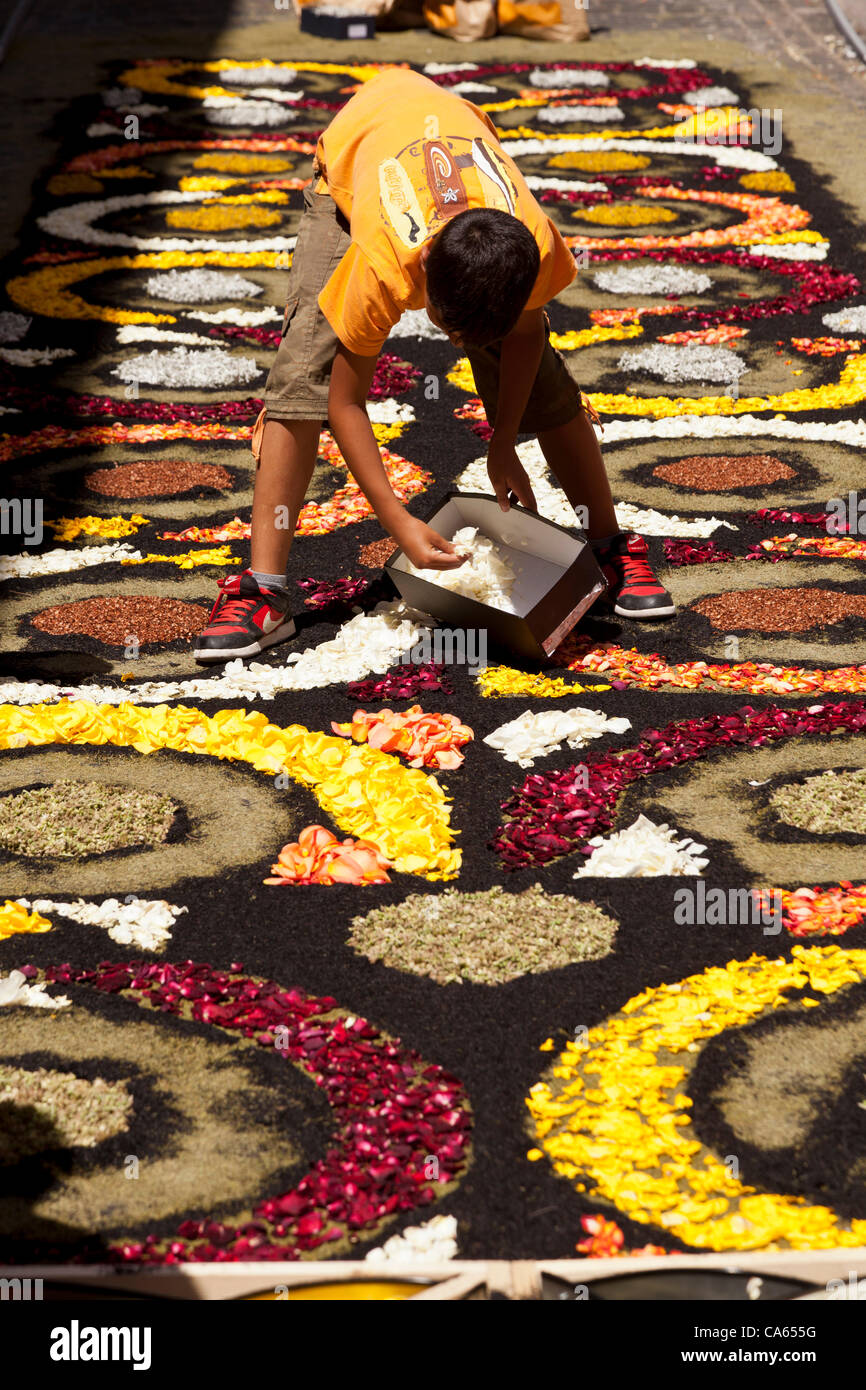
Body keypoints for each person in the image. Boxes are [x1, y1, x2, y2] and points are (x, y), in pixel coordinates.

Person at [193, 68, 675, 663]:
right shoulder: (381, 260)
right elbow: (344, 401)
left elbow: (524, 336)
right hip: (355, 159)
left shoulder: (536, 244)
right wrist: (397, 521)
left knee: (546, 381)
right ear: (422, 282)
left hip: (443, 136)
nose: (452, 343)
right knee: (303, 374)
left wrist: (503, 445)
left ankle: (609, 546)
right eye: (449, 329)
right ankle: (263, 590)